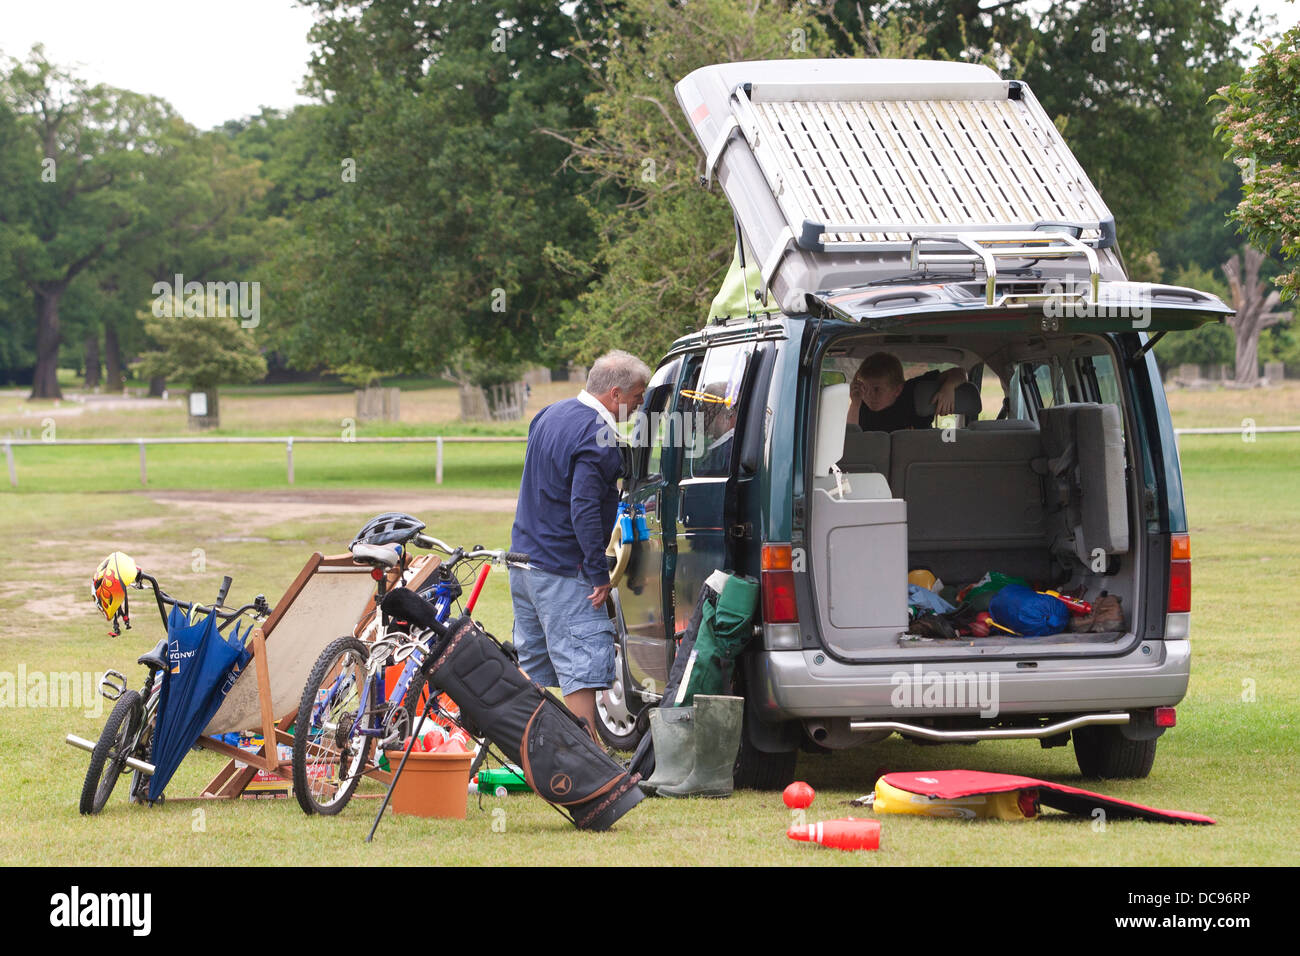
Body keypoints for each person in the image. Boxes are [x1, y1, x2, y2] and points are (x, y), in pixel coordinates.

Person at [509, 350, 650, 740]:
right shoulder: (598, 437)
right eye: (638, 396)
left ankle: (526, 745)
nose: (641, 403)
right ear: (617, 394)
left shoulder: (548, 415)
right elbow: (584, 508)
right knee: (581, 666)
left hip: (524, 563)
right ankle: (588, 759)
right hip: (563, 568)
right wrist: (598, 573)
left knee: (534, 668)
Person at [846, 352, 967, 432]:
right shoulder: (860, 404)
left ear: (898, 390)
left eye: (877, 389)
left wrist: (948, 388)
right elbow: (853, 441)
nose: (869, 395)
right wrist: (855, 403)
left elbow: (960, 373)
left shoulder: (915, 391)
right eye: (865, 388)